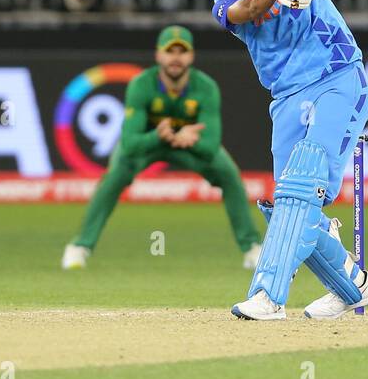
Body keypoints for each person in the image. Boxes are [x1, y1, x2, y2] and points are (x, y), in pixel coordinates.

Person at [190, 0, 368, 320]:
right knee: (288, 205)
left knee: (300, 188)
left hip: (337, 75)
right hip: (287, 98)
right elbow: (250, 9)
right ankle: (354, 285)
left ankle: (268, 296)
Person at [62, 26, 262, 270]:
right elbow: (130, 143)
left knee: (229, 175)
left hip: (190, 146)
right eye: (170, 51)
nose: (176, 57)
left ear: (191, 56)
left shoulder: (206, 87)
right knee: (114, 177)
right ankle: (80, 246)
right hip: (150, 143)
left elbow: (210, 146)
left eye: (182, 51)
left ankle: (252, 248)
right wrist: (159, 135)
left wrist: (185, 139)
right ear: (158, 55)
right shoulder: (142, 85)